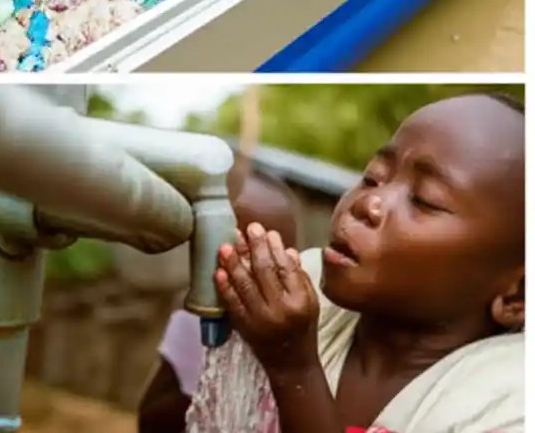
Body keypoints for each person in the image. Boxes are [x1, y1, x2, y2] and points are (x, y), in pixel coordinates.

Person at [187, 93, 524, 432]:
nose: (368, 203)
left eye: (424, 200)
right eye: (373, 177)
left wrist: (293, 369)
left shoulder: (509, 406)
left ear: (516, 295)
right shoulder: (304, 292)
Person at [138, 158, 299, 433]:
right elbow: (152, 419)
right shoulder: (195, 321)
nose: (246, 272)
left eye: (267, 260)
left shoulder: (301, 341)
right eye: (232, 256)